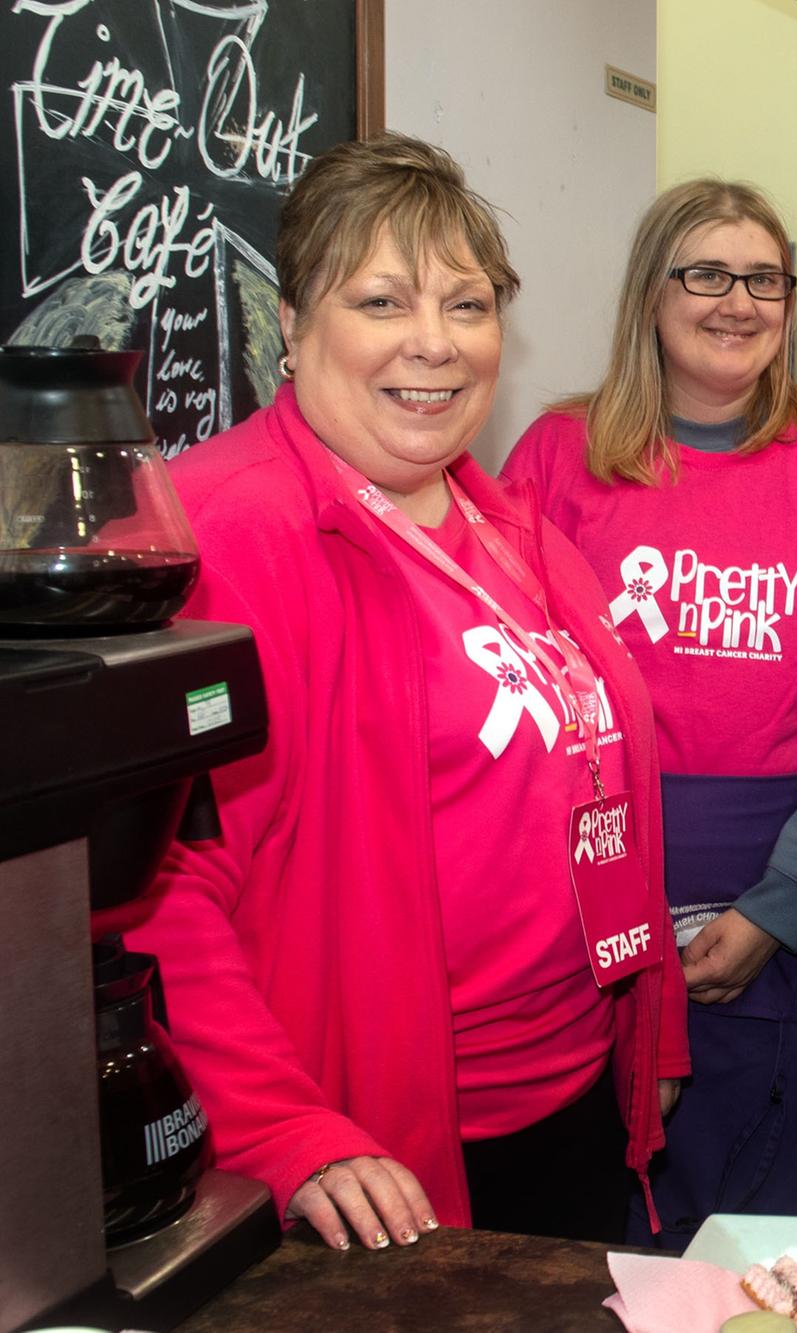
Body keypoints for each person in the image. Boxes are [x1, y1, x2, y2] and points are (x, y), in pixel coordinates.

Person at [124, 133, 687, 1251]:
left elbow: (593, 784)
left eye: (467, 305)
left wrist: (645, 1032)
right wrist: (286, 1129)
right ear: (291, 326)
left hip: (566, 1085)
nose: (433, 343)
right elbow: (152, 891)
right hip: (389, 1144)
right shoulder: (224, 537)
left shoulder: (506, 521)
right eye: (381, 301)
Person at [504, 179, 797, 1247]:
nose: (736, 302)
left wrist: (782, 905)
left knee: (755, 1231)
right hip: (586, 900)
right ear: (651, 292)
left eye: (763, 280)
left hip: (775, 901)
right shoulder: (557, 459)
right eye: (705, 274)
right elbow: (507, 688)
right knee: (591, 1223)